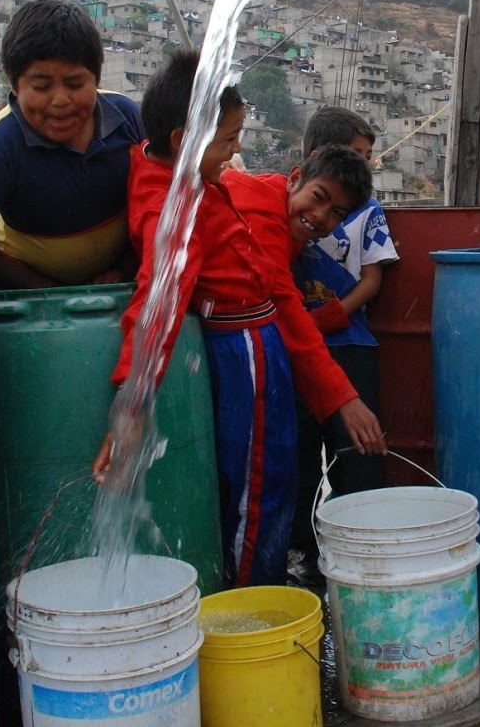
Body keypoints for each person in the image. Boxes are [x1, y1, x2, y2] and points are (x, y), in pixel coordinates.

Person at [91, 48, 384, 586]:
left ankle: (261, 583)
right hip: (243, 348)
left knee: (270, 478)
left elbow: (281, 299)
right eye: (229, 139)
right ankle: (251, 600)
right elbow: (159, 301)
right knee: (255, 484)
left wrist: (339, 396)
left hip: (258, 340)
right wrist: (132, 405)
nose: (238, 149)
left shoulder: (187, 181)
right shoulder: (173, 205)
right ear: (186, 141)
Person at [0, 0, 142, 290]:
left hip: (115, 289)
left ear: (96, 79)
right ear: (15, 85)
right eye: (41, 86)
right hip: (25, 301)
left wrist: (125, 268)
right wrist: (41, 288)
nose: (60, 101)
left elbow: (162, 191)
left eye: (75, 84)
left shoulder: (126, 116)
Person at [285, 108, 398, 570]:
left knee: (356, 451)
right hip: (297, 349)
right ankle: (303, 555)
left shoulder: (367, 211)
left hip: (349, 343)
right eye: (357, 156)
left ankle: (363, 552)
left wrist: (329, 317)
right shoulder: (292, 206)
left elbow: (372, 280)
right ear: (316, 158)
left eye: (368, 160)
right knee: (298, 454)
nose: (363, 169)